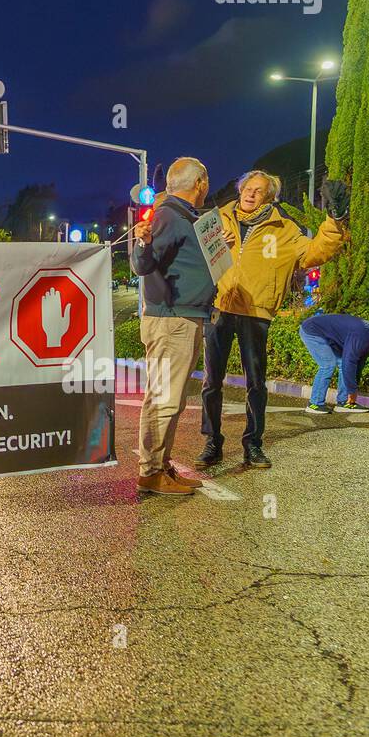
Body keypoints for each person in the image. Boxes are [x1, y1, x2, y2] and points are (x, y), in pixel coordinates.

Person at [198, 171, 348, 471]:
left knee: (256, 383)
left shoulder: (284, 229)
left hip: (257, 312)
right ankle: (212, 442)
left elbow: (314, 253)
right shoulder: (217, 220)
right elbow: (195, 256)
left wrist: (335, 220)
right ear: (239, 191)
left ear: (270, 198)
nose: (251, 194)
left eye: (259, 191)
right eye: (247, 189)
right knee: (211, 381)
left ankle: (253, 444)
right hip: (219, 308)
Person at [129, 157, 217, 496]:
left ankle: (160, 465)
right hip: (171, 321)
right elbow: (143, 263)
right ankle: (150, 472)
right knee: (164, 398)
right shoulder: (169, 215)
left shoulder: (185, 217)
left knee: (171, 398)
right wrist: (142, 242)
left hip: (184, 318)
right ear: (200, 183)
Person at [299, 313, 369, 412]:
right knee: (328, 364)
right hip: (312, 330)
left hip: (328, 336)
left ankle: (344, 402)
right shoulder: (363, 336)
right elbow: (349, 362)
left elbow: (358, 366)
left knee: (341, 364)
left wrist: (353, 389)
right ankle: (314, 404)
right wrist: (352, 390)